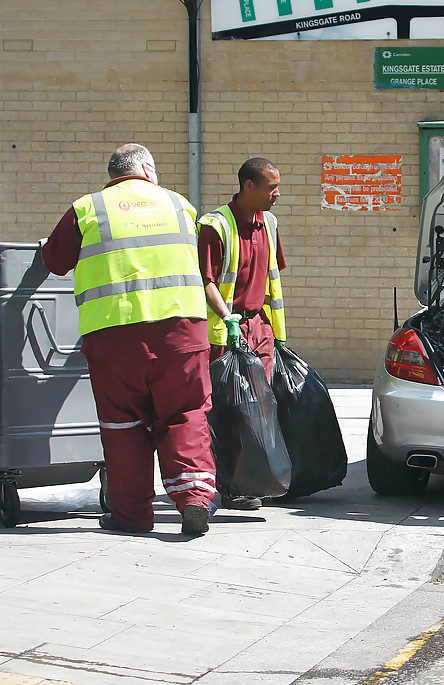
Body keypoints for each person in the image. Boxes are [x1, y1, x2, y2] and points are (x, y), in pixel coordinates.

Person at [41, 143, 216, 537]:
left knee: (124, 427)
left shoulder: (89, 208)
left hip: (115, 337)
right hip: (181, 334)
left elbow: (54, 261)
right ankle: (194, 500)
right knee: (184, 414)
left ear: (114, 174)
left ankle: (132, 516)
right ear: (147, 170)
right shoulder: (180, 205)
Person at [197, 157, 287, 511]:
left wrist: (273, 333)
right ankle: (227, 485)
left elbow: (272, 278)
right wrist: (227, 317)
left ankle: (254, 480)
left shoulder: (271, 223)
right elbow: (204, 280)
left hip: (259, 329)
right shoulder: (215, 226)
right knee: (227, 410)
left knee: (259, 410)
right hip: (225, 332)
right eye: (271, 187)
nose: (277, 194)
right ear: (248, 186)